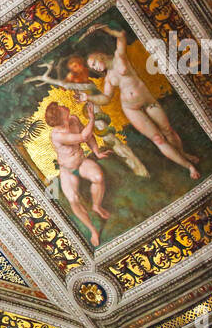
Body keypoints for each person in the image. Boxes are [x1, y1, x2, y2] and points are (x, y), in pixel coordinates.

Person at [82, 23, 200, 178]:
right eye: (93, 67)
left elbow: (121, 35)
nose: (96, 68)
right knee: (158, 138)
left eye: (94, 63)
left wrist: (104, 29)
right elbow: (105, 99)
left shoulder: (120, 57)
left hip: (147, 100)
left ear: (100, 55)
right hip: (130, 108)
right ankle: (189, 166)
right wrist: (88, 97)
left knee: (168, 131)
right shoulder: (109, 78)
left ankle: (183, 154)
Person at [45, 101, 109, 247]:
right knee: (73, 200)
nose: (65, 106)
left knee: (98, 177)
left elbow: (89, 136)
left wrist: (96, 152)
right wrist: (92, 119)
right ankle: (93, 230)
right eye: (62, 108)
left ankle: (97, 206)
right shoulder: (57, 135)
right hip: (67, 171)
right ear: (61, 117)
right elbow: (83, 137)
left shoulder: (73, 119)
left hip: (81, 162)